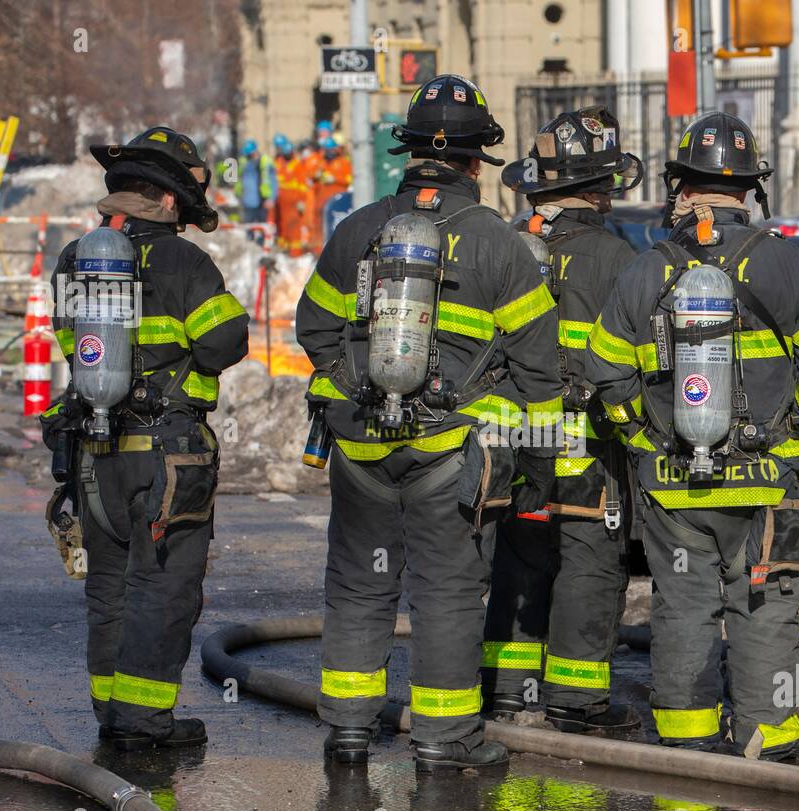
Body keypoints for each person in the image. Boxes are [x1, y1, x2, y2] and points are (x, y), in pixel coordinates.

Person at [295, 74, 562, 771]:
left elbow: (314, 327)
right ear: (477, 163)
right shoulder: (498, 245)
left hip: (359, 446)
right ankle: (446, 741)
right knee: (446, 594)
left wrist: (354, 385)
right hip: (451, 454)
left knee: (359, 585)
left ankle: (349, 731)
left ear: (408, 152)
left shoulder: (356, 228)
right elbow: (538, 370)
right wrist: (538, 463)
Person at [586, 111, 799, 760]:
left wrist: (642, 438)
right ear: (750, 190)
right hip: (764, 482)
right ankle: (771, 744)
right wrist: (796, 428)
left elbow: (604, 368)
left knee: (682, 610)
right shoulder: (783, 263)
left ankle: (687, 748)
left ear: (682, 186)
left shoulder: (649, 270)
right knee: (766, 603)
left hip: (674, 486)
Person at [41, 126, 250, 751]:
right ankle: (144, 723)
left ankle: (111, 711)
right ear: (167, 200)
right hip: (166, 461)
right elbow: (223, 344)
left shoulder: (74, 257)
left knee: (109, 586)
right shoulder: (184, 261)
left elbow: (68, 341)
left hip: (93, 456)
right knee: (163, 588)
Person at [483, 106, 643, 733]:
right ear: (601, 190)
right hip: (586, 441)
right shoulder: (619, 259)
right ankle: (576, 702)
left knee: (519, 561)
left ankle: (507, 690)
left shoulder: (506, 248)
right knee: (589, 561)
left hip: (515, 438)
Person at [235, 138, 276, 234]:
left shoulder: (265, 161)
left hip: (262, 201)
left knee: (264, 230)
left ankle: (263, 246)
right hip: (248, 202)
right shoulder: (244, 162)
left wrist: (271, 198)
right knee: (249, 230)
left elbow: (273, 182)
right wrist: (238, 194)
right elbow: (239, 180)